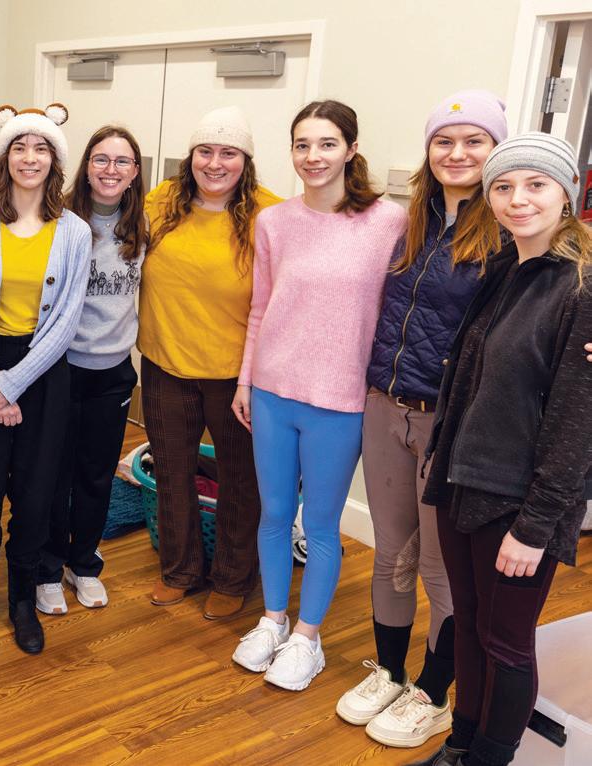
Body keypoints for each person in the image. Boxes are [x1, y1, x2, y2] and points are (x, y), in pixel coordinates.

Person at [413, 134, 592, 766]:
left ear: (567, 194)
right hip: (461, 480)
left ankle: (491, 757)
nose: (518, 199)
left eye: (536, 184)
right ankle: (460, 744)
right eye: (504, 186)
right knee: (468, 626)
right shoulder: (502, 270)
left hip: (518, 502)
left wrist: (535, 527)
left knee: (506, 642)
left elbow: (576, 425)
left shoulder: (581, 289)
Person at [338, 91, 507, 748]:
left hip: (448, 421)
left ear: (496, 149)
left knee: (440, 569)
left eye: (474, 140)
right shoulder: (410, 220)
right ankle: (390, 672)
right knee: (392, 554)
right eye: (444, 140)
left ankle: (435, 694)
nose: (457, 153)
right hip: (386, 406)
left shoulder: (506, 231)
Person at [230, 100, 407, 691]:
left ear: (351, 150)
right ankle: (273, 620)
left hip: (340, 400)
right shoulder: (273, 222)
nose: (313, 156)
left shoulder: (388, 222)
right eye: (302, 144)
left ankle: (308, 638)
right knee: (275, 513)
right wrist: (245, 380)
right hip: (273, 391)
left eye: (327, 143)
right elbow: (260, 308)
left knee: (322, 524)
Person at [0, 104, 91, 653]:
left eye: (41, 149)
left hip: (43, 373)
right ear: (4, 158)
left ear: (55, 161)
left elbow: (67, 320)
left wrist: (13, 385)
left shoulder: (74, 231)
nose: (29, 158)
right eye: (19, 147)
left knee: (35, 497)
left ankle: (22, 600)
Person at [140, 106, 282, 621]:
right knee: (172, 472)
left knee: (242, 480)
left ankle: (232, 577)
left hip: (237, 378)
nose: (215, 163)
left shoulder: (270, 214)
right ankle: (180, 570)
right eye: (205, 151)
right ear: (191, 156)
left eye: (228, 153)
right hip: (165, 366)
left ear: (246, 160)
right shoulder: (160, 201)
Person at [36, 125, 147, 614]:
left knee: (96, 475)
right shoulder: (57, 219)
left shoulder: (143, 226)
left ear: (135, 172)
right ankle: (46, 568)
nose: (110, 170)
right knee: (52, 474)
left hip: (113, 372)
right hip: (59, 367)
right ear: (86, 167)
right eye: (101, 159)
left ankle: (82, 563)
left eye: (122, 161)